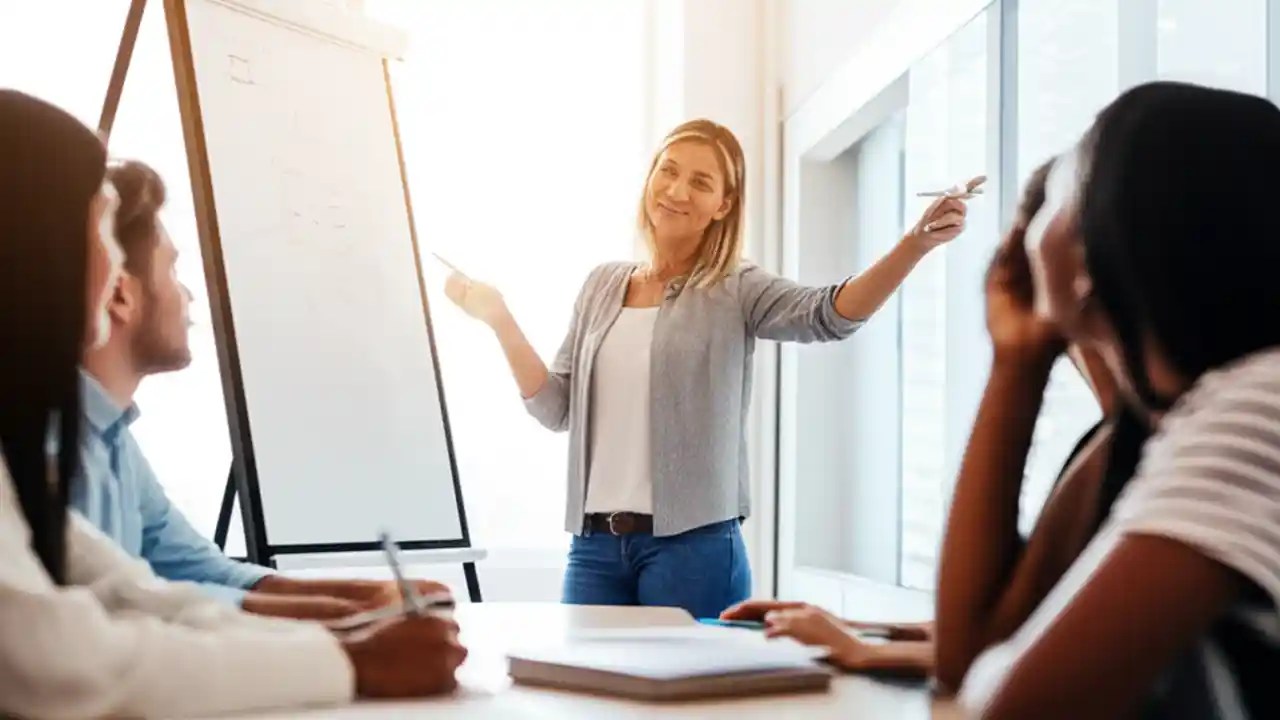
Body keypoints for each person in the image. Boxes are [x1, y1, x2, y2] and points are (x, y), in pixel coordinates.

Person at [0, 90, 465, 718]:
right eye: (101, 226)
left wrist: (351, 631)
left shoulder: (35, 447)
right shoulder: (46, 439)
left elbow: (141, 595)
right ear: (38, 244)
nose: (114, 261)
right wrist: (351, 657)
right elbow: (60, 665)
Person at [443, 118, 974, 618]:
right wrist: (499, 319)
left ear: (723, 205)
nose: (676, 191)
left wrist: (915, 244)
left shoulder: (736, 286)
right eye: (669, 170)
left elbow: (828, 315)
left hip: (693, 550)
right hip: (593, 550)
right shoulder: (602, 284)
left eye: (700, 182)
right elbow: (556, 408)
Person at [720, 160, 1149, 678]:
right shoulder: (1113, 441)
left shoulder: (1166, 446)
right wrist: (854, 628)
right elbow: (1016, 624)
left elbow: (994, 653)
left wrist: (868, 650)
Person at [960, 81, 1280, 718]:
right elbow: (973, 653)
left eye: (1054, 195)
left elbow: (1017, 707)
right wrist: (1017, 363)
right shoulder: (1191, 418)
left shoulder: (1259, 403)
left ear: (1096, 241)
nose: (1020, 233)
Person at [77, 159, 449, 619]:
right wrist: (348, 620)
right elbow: (123, 606)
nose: (189, 295)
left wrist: (368, 598)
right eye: (173, 270)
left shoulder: (114, 438)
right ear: (121, 295)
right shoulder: (51, 448)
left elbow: (202, 571)